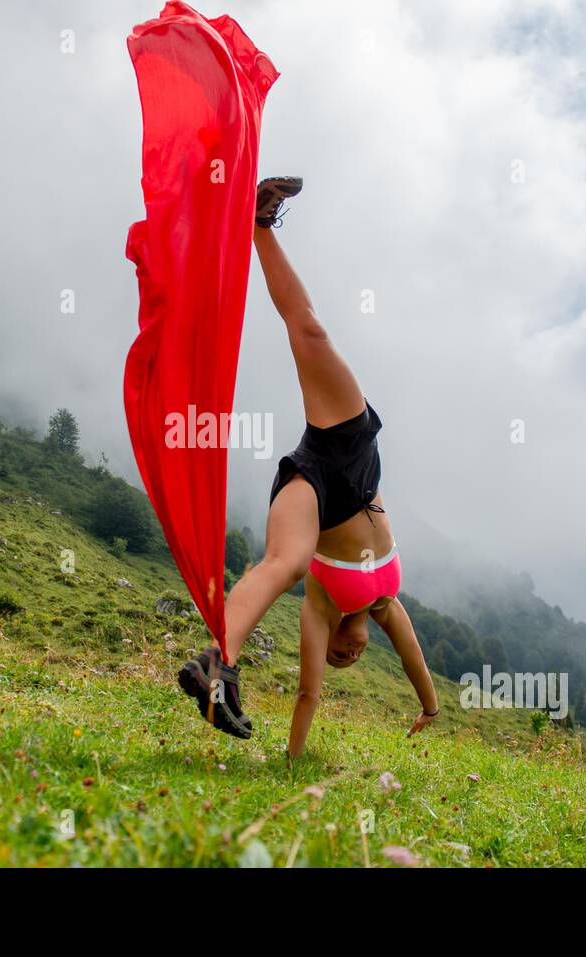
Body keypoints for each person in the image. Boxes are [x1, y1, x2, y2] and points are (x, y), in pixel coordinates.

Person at [177, 177, 440, 757]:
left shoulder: (322, 609)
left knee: (286, 562)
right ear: (367, 641)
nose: (343, 656)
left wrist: (293, 761)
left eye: (334, 660)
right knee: (310, 330)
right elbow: (416, 657)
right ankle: (259, 225)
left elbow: (307, 696)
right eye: (353, 656)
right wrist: (429, 707)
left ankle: (216, 666)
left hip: (314, 480)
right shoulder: (386, 603)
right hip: (351, 446)